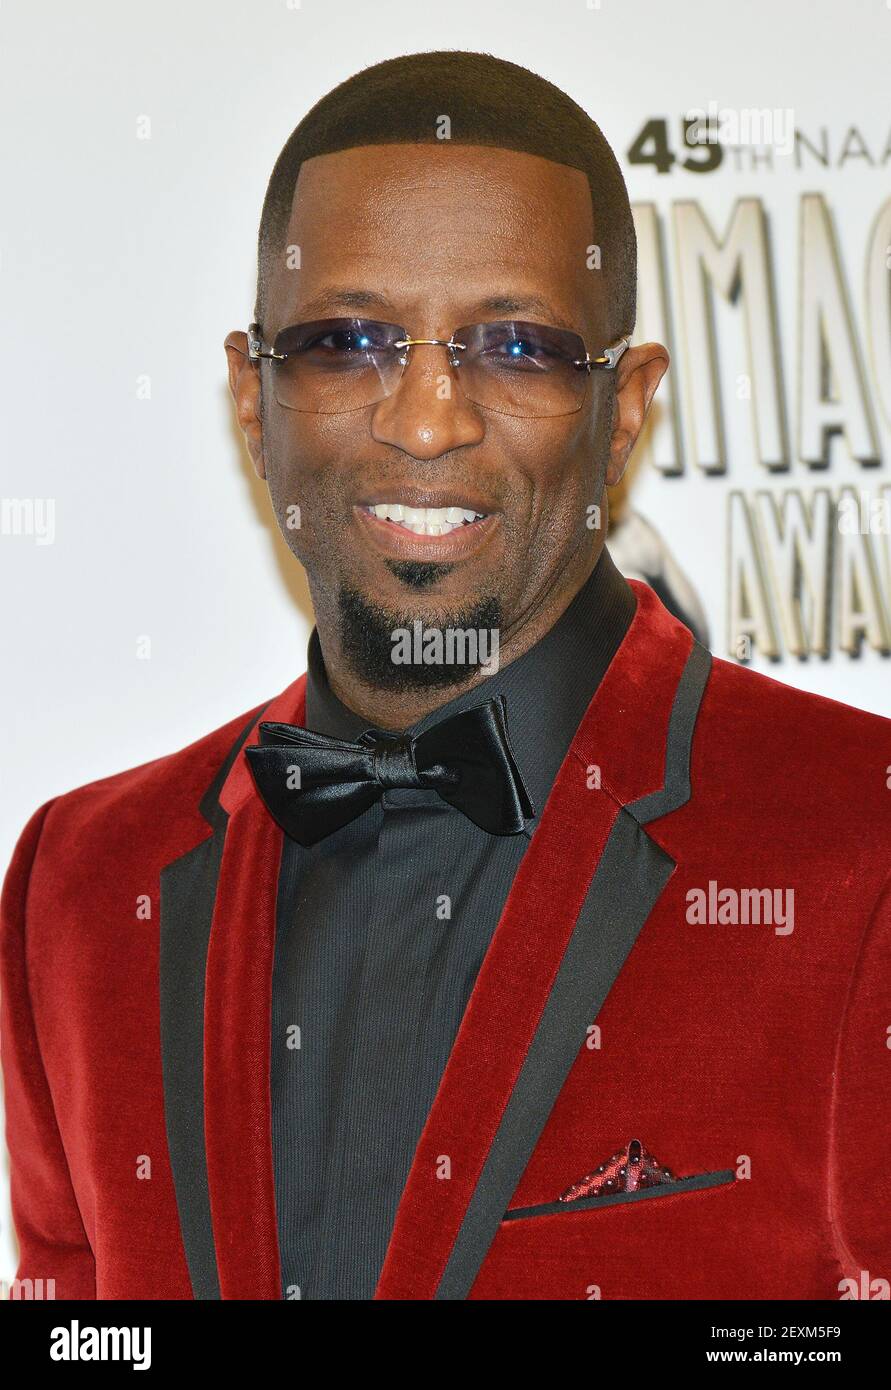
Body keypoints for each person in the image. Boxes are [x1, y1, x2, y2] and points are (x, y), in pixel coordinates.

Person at [2, 50, 889, 1302]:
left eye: (515, 346)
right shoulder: (81, 887)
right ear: (254, 403)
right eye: (348, 340)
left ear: (623, 408)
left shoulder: (863, 843)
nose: (425, 420)